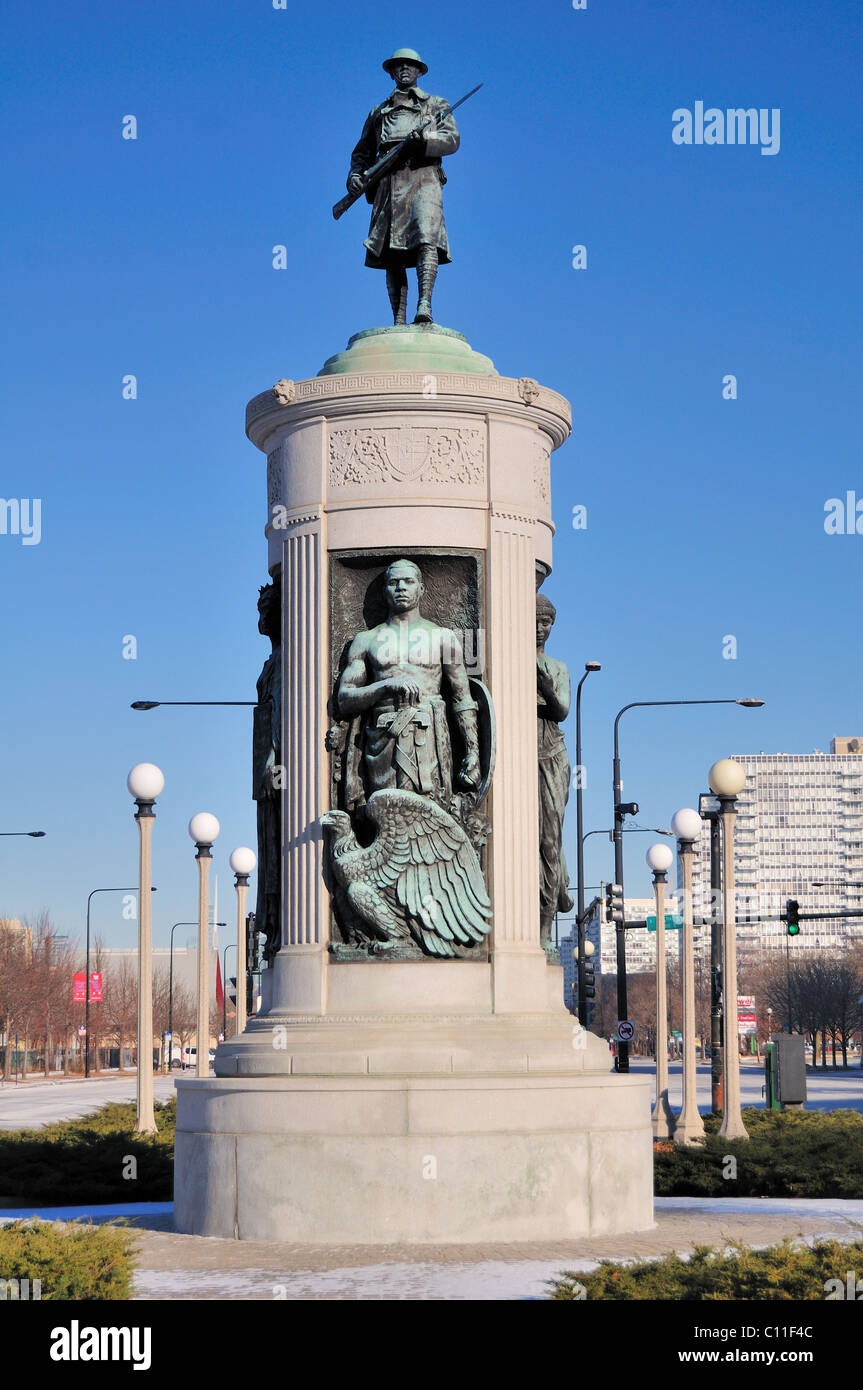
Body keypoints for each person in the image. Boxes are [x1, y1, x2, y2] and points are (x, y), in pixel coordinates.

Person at [335, 559, 479, 809]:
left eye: (408, 581)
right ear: (385, 591)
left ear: (421, 589)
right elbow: (345, 699)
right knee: (385, 812)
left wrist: (472, 751)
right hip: (382, 739)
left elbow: (462, 698)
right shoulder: (365, 640)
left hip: (429, 738)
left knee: (429, 811)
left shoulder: (443, 637)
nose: (401, 587)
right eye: (393, 582)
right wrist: (386, 686)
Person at [346, 48, 459, 325]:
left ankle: (424, 305)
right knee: (392, 250)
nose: (404, 70)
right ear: (391, 72)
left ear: (420, 71)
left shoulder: (435, 104)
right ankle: (398, 317)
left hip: (424, 177)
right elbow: (362, 152)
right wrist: (355, 175)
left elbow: (452, 138)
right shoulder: (378, 112)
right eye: (398, 66)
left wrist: (423, 141)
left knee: (425, 237)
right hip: (389, 182)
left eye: (410, 66)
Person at [536, 593, 574, 944]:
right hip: (519, 754)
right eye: (533, 621)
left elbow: (561, 709)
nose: (538, 628)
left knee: (549, 840)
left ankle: (544, 926)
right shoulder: (508, 663)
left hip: (550, 755)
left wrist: (544, 685)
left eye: (545, 622)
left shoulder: (557, 667)